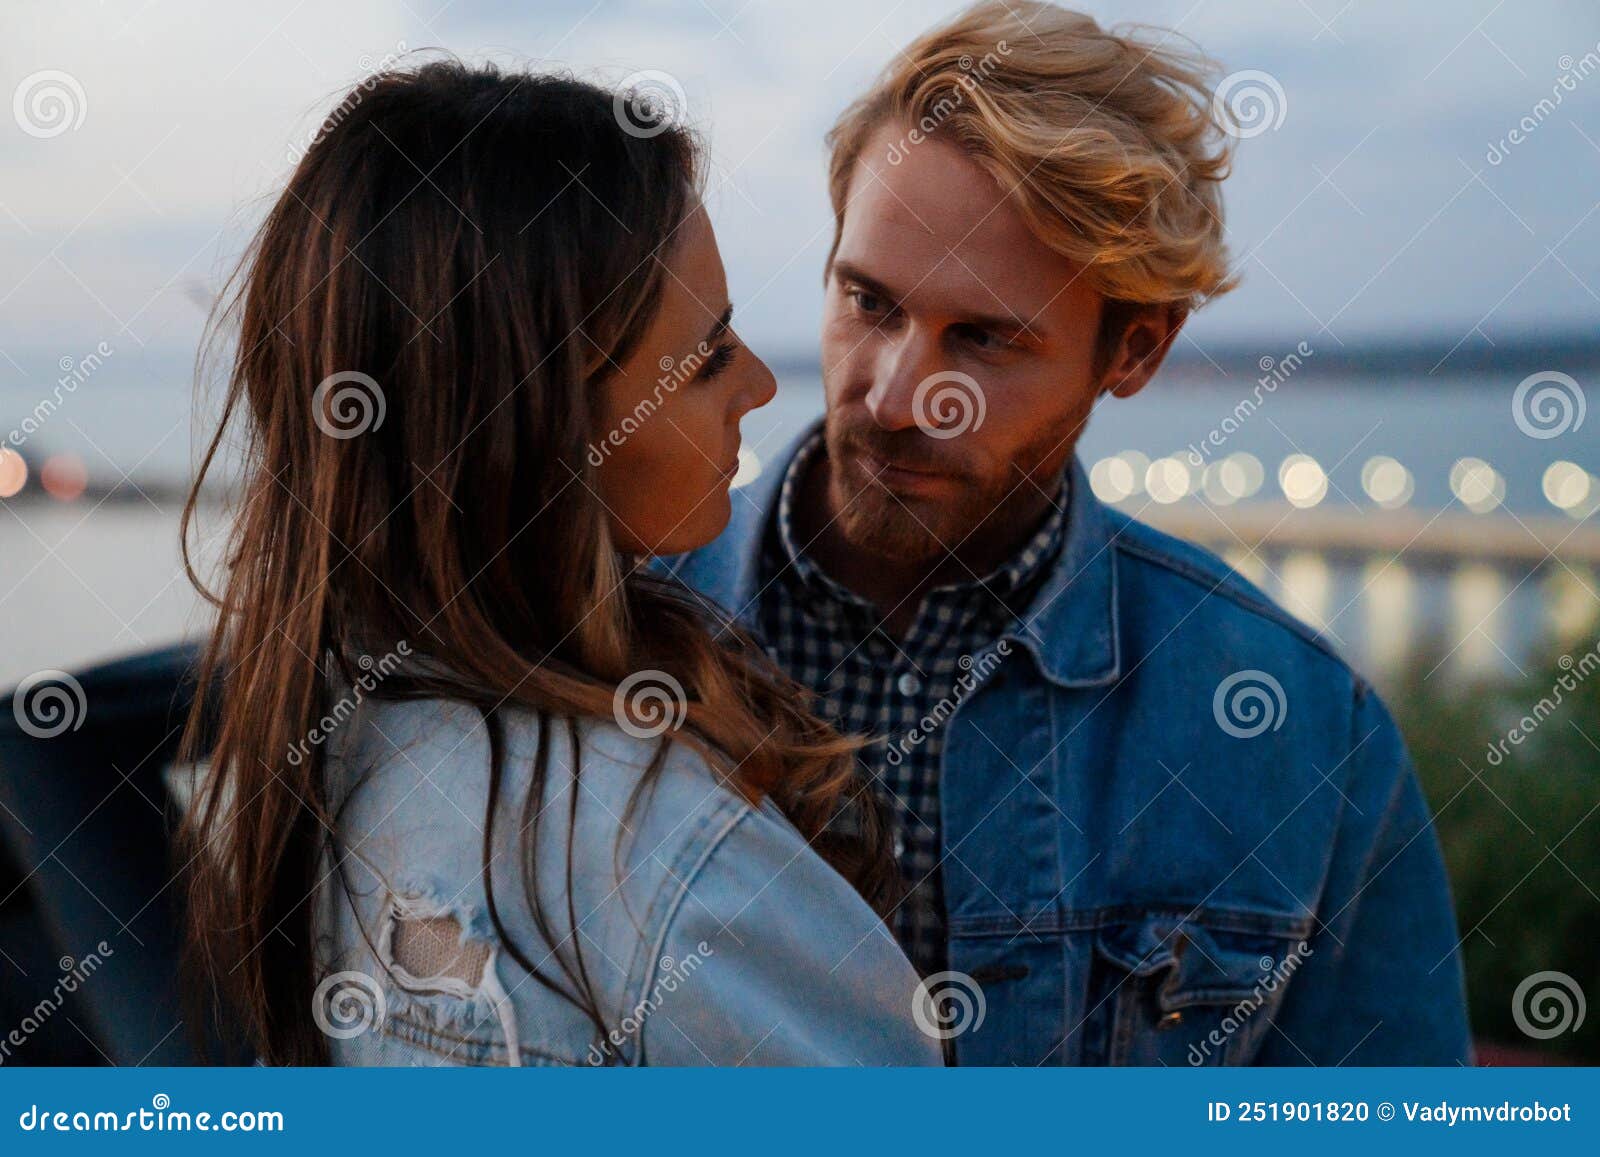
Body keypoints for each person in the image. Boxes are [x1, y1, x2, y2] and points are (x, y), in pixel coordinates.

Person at [666, 1, 1472, 1065]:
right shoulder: (602, 629)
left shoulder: (1303, 734)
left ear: (1132, 351)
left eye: (984, 337)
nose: (899, 395)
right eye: (869, 301)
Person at [177, 60, 941, 1068]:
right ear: (541, 427)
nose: (758, 385)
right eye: (704, 358)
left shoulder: (296, 749)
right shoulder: (657, 850)